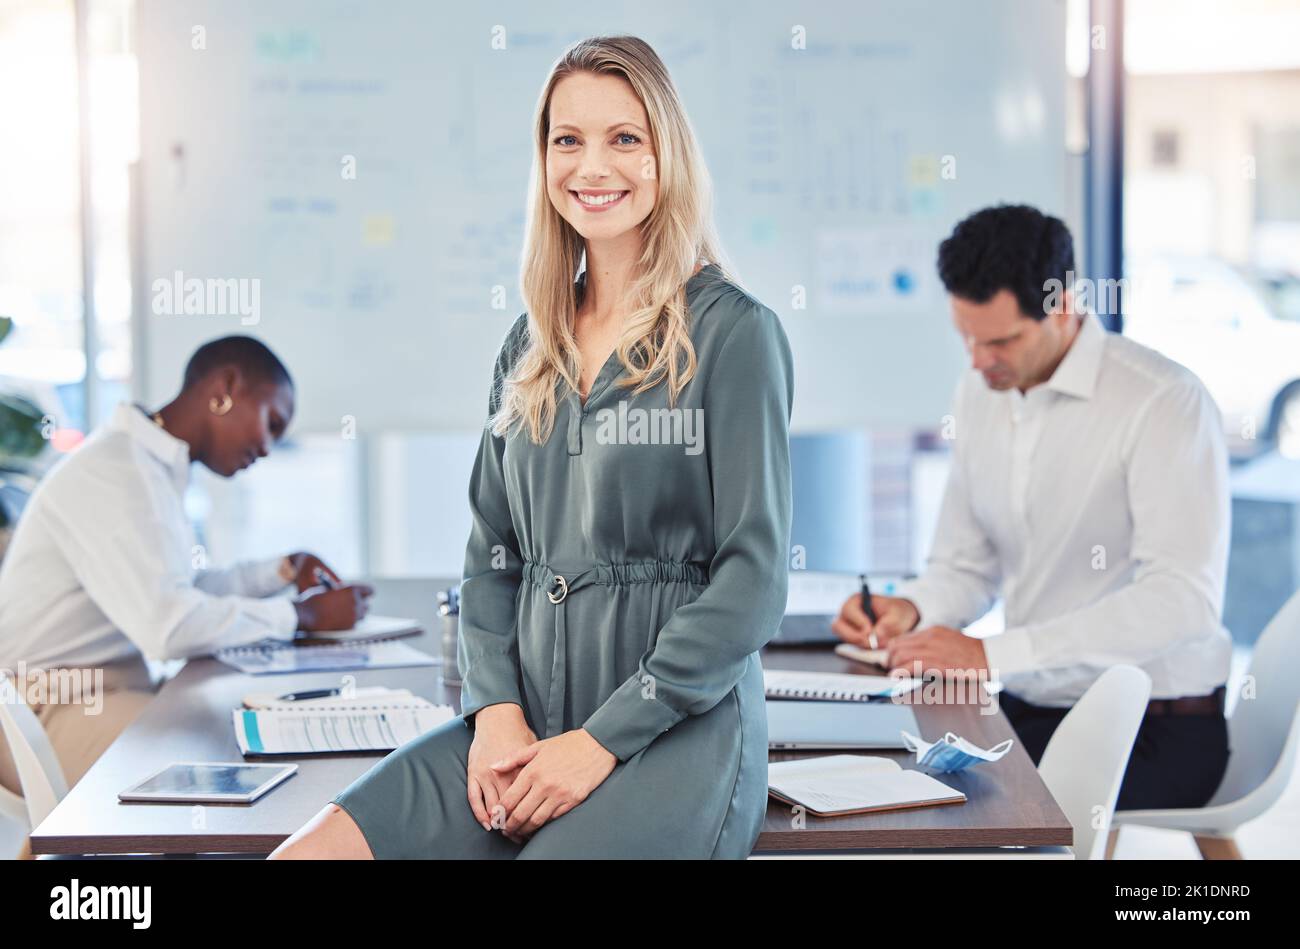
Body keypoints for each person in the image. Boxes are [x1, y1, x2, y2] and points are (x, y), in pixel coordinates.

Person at [271, 35, 793, 859]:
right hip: (528, 718)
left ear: (668, 154)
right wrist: (495, 711)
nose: (593, 166)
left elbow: (754, 579)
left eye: (626, 138)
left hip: (674, 728)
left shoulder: (735, 335)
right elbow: (491, 555)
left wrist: (600, 741)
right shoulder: (530, 343)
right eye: (567, 139)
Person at [833, 205, 1232, 811]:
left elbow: (1183, 602)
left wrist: (991, 654)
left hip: (1155, 728)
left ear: (1064, 306)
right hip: (1033, 706)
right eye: (966, 336)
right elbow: (967, 566)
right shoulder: (980, 392)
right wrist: (913, 608)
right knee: (883, 779)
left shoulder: (1164, 402)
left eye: (1001, 340)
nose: (977, 359)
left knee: (953, 815)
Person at [0, 335, 372, 802]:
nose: (268, 447)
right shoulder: (116, 469)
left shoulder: (151, 465)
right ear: (226, 387)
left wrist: (278, 572)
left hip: (99, 691)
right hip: (49, 705)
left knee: (237, 736)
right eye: (271, 423)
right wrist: (304, 617)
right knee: (222, 767)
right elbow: (168, 626)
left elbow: (179, 589)